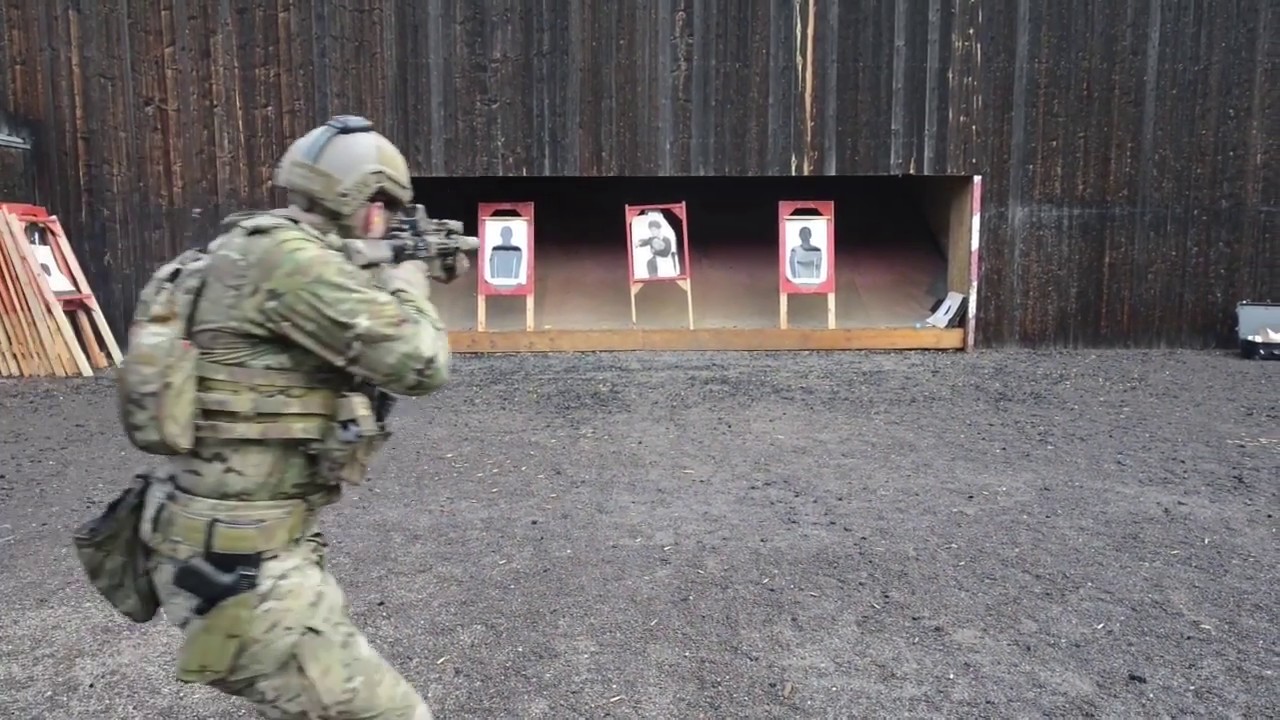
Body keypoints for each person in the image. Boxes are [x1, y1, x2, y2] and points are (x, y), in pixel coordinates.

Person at [132, 115, 451, 719]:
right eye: (383, 208)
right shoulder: (293, 264)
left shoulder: (244, 247)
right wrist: (410, 280)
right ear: (363, 198)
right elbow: (421, 362)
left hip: (221, 543)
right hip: (242, 570)